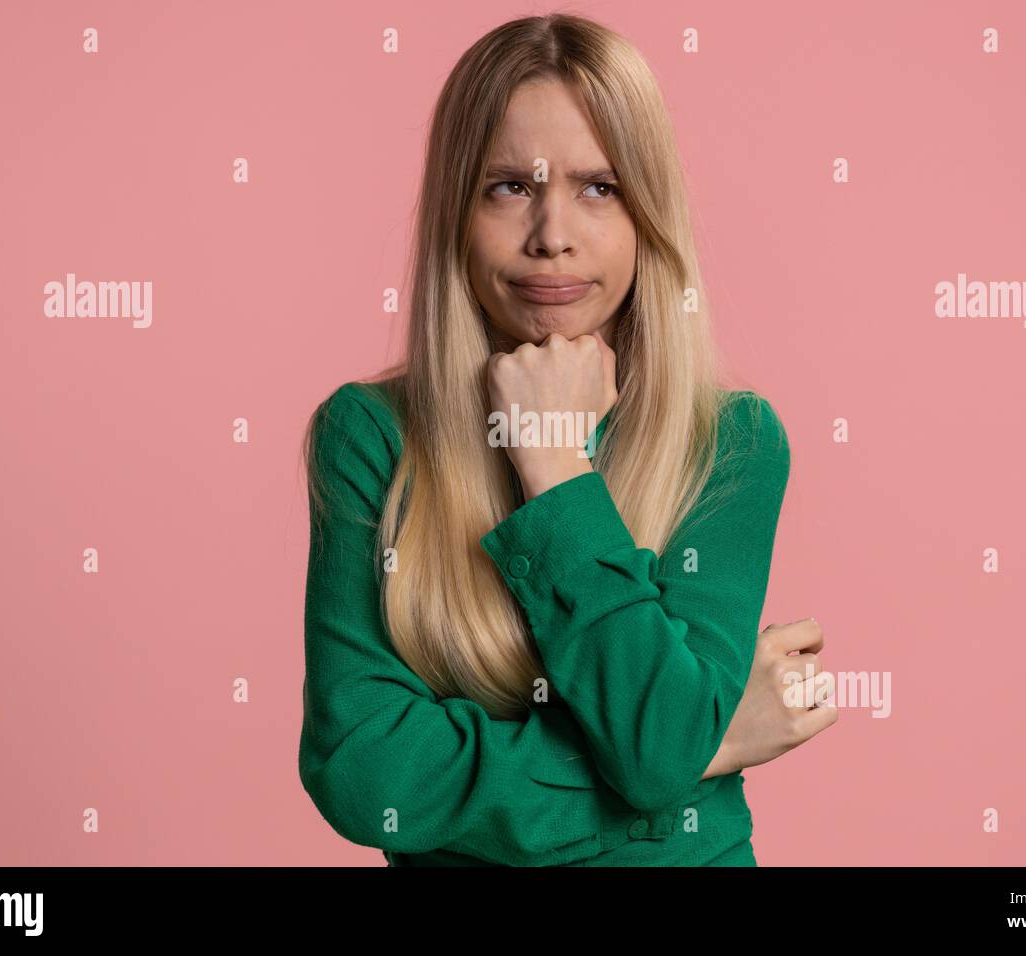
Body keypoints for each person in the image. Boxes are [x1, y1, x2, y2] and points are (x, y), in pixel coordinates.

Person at [298, 12, 837, 867]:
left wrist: (551, 460)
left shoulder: (732, 443)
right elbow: (366, 774)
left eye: (600, 187)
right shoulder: (370, 436)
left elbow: (657, 748)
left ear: (646, 214)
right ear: (455, 212)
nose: (553, 235)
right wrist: (706, 746)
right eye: (509, 186)